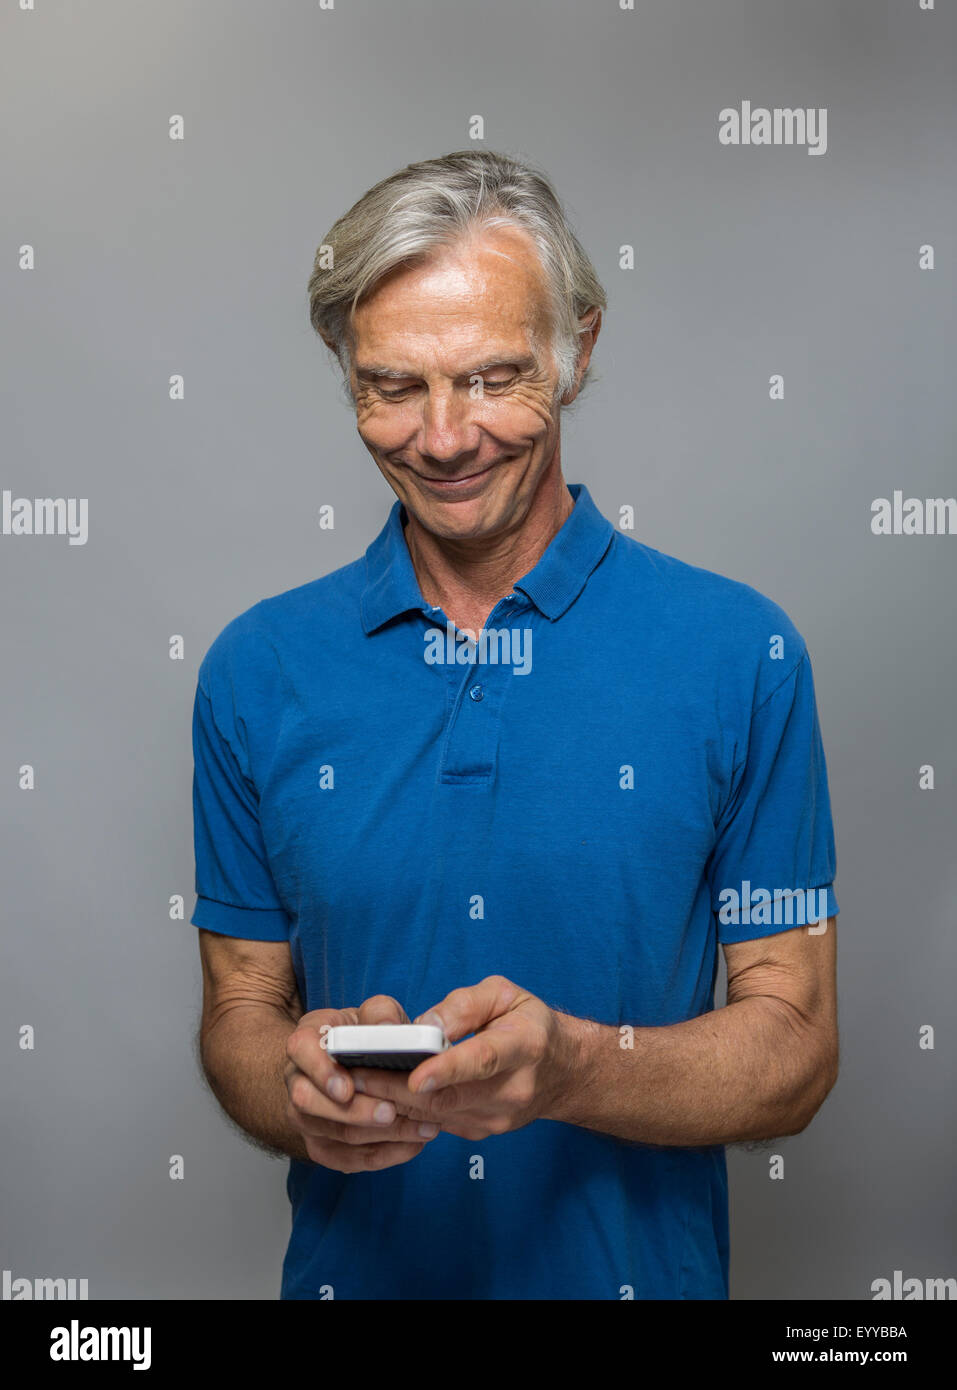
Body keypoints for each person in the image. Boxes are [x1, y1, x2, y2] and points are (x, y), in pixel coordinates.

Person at [190, 149, 839, 1300]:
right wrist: (290, 1085)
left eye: (493, 379)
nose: (442, 440)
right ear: (345, 371)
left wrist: (572, 1070)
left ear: (578, 350)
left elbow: (794, 1052)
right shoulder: (255, 670)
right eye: (391, 387)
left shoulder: (744, 654)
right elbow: (241, 1014)